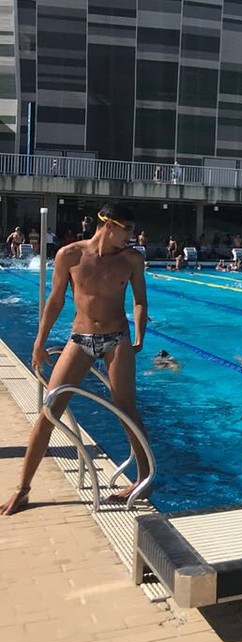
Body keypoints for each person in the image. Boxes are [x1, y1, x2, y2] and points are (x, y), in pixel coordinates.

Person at [1, 202, 149, 516]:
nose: (131, 236)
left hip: (117, 339)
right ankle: (23, 489)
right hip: (80, 339)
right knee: (49, 410)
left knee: (126, 409)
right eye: (127, 229)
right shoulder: (69, 255)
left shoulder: (132, 259)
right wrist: (40, 341)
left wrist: (140, 336)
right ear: (108, 224)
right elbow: (55, 300)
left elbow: (140, 300)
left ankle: (143, 481)